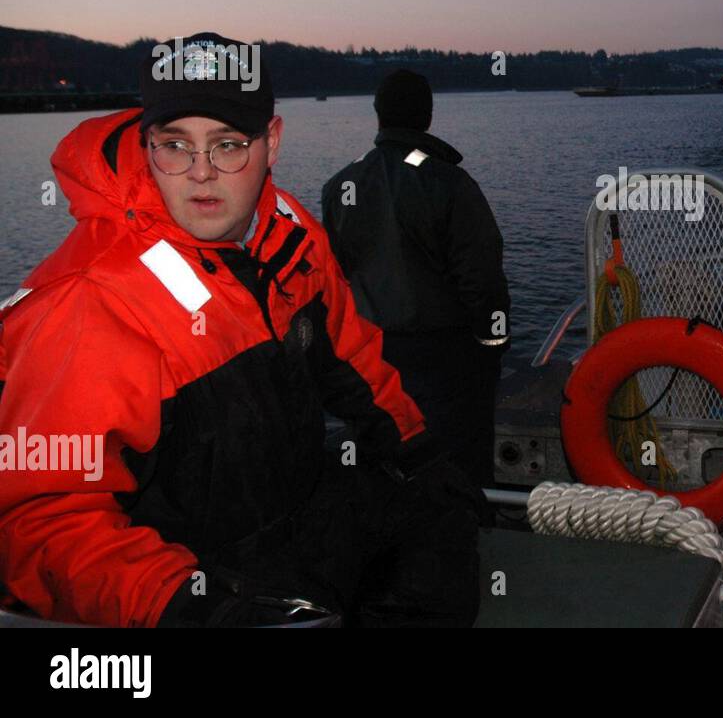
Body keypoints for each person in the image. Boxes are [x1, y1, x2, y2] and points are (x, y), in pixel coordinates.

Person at [0, 33, 483, 627]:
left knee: (436, 517)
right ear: (148, 143)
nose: (202, 175)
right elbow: (44, 521)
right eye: (175, 146)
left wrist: (416, 448)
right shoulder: (87, 301)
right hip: (186, 570)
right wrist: (185, 604)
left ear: (271, 141)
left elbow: (351, 354)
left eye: (229, 145)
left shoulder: (289, 233)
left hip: (286, 518)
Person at [321, 70, 509, 489]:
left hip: (371, 356)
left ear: (378, 115)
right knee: (458, 461)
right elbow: (481, 276)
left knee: (380, 461)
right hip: (446, 358)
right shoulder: (448, 183)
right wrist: (493, 345)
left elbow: (332, 276)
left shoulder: (341, 186)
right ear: (427, 115)